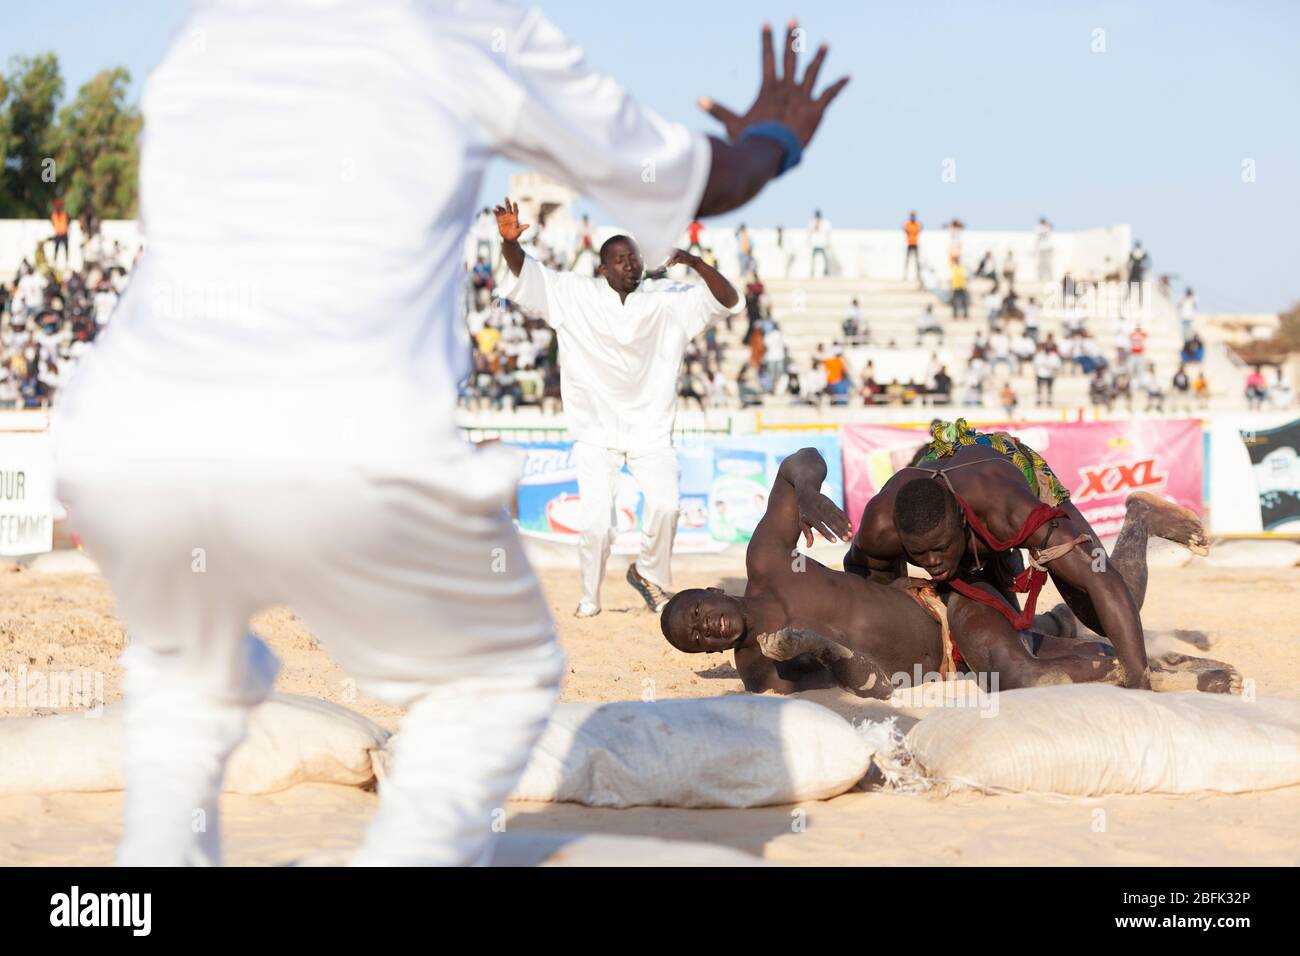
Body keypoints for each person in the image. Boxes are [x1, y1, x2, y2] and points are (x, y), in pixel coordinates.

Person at [51, 9, 848, 869]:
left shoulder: (225, 24)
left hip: (124, 431)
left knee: (185, 662)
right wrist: (775, 137)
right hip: (332, 429)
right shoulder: (474, 27)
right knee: (494, 682)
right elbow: (694, 178)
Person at [677, 447, 1235, 695]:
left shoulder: (768, 562)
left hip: (954, 583)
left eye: (697, 610)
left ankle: (1142, 648)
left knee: (1102, 604)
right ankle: (1161, 659)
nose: (706, 626)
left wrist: (806, 489)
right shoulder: (758, 668)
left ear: (708, 589)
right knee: (1049, 650)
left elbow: (799, 461)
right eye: (696, 637)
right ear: (707, 653)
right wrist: (822, 650)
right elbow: (861, 688)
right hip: (945, 643)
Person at [499, 204, 742, 614]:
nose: (631, 265)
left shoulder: (669, 300)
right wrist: (509, 242)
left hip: (651, 431)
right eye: (621, 259)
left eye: (635, 257)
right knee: (596, 526)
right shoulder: (573, 294)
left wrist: (695, 262)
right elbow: (527, 273)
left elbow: (729, 300)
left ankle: (647, 573)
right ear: (603, 269)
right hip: (594, 431)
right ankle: (589, 597)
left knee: (666, 505)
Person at [808, 209, 831, 277]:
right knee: (813, 259)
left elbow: (828, 233)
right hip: (814, 244)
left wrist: (828, 243)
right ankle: (812, 272)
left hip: (823, 244)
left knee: (825, 259)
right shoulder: (812, 223)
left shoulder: (825, 223)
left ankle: (826, 272)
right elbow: (809, 233)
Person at [50, 199, 70, 266]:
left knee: (66, 248)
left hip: (64, 233)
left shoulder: (64, 214)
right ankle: (54, 261)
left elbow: (68, 221)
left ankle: (67, 261)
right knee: (56, 248)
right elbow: (53, 222)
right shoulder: (54, 214)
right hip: (58, 233)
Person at [903, 211, 921, 281]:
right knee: (907, 260)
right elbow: (906, 230)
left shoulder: (917, 224)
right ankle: (905, 275)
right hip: (909, 243)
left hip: (915, 243)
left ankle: (918, 275)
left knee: (917, 260)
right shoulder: (907, 224)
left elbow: (917, 231)